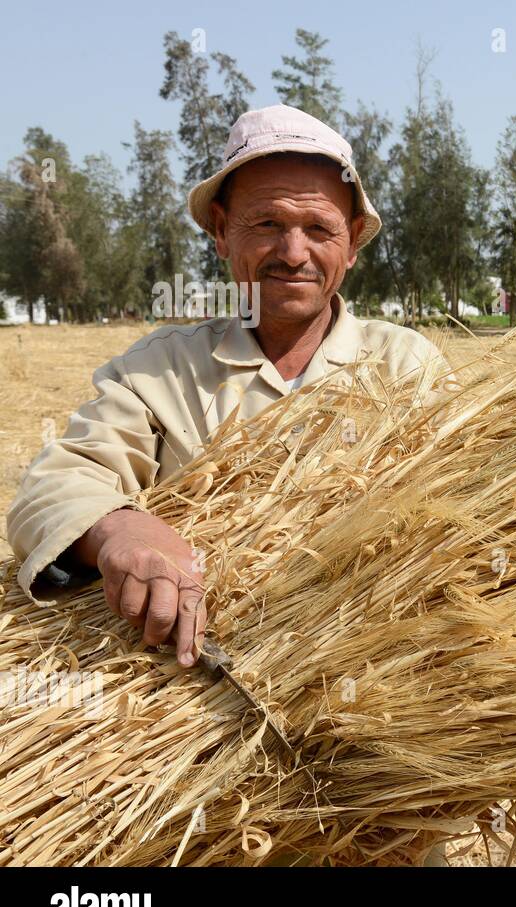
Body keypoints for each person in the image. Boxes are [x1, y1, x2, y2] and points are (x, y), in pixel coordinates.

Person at [7, 104, 455, 668]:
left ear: (354, 239)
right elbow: (53, 485)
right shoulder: (159, 370)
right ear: (221, 230)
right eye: (266, 224)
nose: (294, 254)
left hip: (374, 671)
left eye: (319, 229)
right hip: (192, 690)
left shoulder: (409, 368)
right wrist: (119, 530)